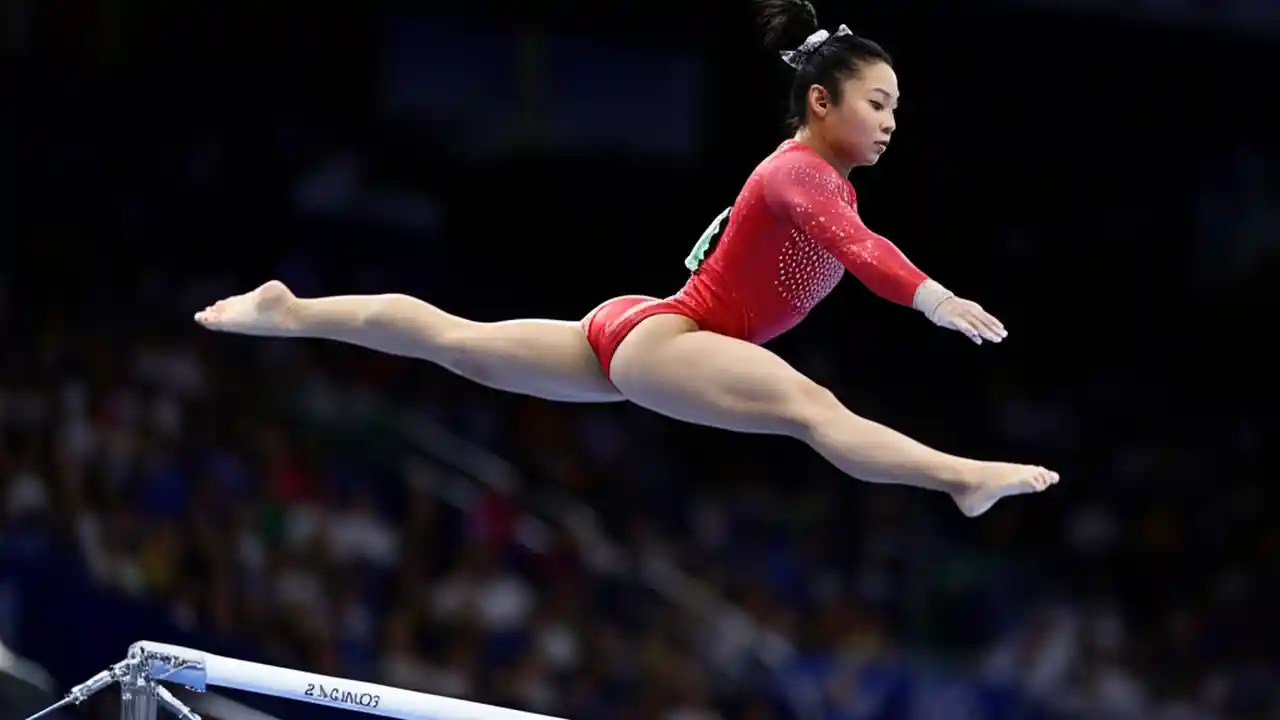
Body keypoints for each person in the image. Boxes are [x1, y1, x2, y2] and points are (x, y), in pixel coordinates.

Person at [195, 0, 1058, 518]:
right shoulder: (800, 174)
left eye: (897, 107)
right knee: (812, 410)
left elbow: (847, 238)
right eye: (877, 102)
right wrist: (934, 298)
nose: (891, 121)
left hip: (647, 330)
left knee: (459, 343)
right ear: (821, 101)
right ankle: (960, 479)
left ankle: (291, 312)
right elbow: (858, 250)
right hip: (670, 342)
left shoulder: (812, 180)